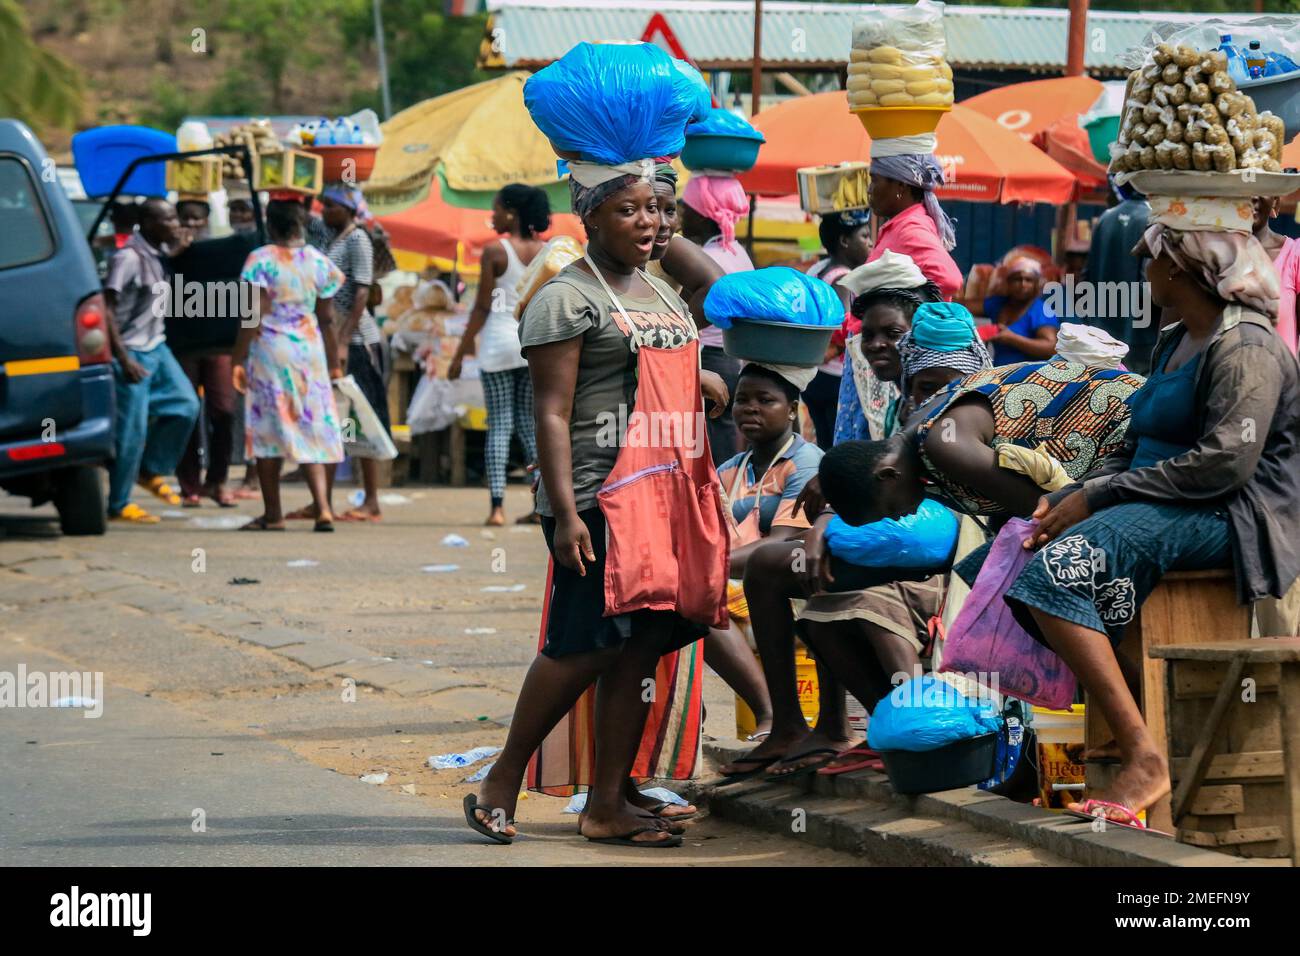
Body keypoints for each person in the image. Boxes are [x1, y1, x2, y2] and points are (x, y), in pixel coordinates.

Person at [1000, 198, 1299, 827]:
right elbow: (1134, 446)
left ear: (1186, 269)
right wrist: (1076, 491)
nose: (1141, 265)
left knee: (1057, 573)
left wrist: (1102, 496)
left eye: (1153, 254)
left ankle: (1144, 753)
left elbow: (1224, 464)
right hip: (1162, 499)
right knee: (1004, 557)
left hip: (1229, 514)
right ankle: (1141, 707)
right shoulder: (1172, 340)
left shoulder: (1247, 346)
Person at [466, 159, 729, 849]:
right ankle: (501, 777)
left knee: (640, 648)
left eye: (660, 210)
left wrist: (699, 379)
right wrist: (564, 512)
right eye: (631, 210)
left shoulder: (659, 290)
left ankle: (608, 801)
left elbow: (711, 295)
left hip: (667, 491)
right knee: (580, 646)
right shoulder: (567, 297)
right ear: (590, 217)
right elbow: (550, 412)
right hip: (599, 494)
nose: (651, 222)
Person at [717, 265, 947, 780]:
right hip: (884, 537)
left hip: (929, 551)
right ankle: (799, 724)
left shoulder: (932, 394)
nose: (878, 345)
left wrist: (825, 521)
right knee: (780, 569)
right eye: (868, 335)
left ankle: (848, 726)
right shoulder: (874, 397)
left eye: (894, 334)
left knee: (792, 568)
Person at [231, 198, 345, 532]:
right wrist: (335, 361)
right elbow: (327, 318)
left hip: (270, 352)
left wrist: (237, 358)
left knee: (269, 430)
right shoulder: (318, 262)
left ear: (270, 224)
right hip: (310, 354)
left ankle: (273, 515)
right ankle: (323, 509)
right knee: (310, 426)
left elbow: (251, 316)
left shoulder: (260, 260)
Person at [448, 184, 548, 525]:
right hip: (532, 344)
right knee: (529, 424)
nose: (492, 217)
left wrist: (459, 354)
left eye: (496, 210)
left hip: (497, 344)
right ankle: (540, 503)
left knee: (500, 425)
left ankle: (497, 508)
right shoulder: (548, 251)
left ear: (512, 213)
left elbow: (480, 308)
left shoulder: (495, 252)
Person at [101, 199, 201, 523]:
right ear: (147, 223)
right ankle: (118, 503)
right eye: (169, 219)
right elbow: (108, 310)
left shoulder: (156, 255)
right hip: (131, 351)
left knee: (186, 405)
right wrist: (122, 358)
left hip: (157, 347)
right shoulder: (127, 258)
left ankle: (150, 469)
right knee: (131, 431)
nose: (176, 225)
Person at [304, 183, 385, 522]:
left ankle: (371, 500)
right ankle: (323, 499)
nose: (325, 211)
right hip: (332, 338)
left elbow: (362, 293)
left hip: (355, 341)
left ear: (349, 210)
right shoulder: (330, 238)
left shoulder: (357, 239)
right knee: (336, 421)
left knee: (361, 418)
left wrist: (341, 340)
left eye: (332, 206)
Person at [678, 173, 753, 464]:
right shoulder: (737, 252)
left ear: (702, 214)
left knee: (711, 445)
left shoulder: (704, 257)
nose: (682, 215)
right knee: (724, 435)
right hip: (733, 359)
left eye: (685, 208)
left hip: (709, 360)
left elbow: (689, 312)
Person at [805, 209, 873, 450]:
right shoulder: (844, 279)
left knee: (824, 442)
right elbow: (845, 330)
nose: (871, 243)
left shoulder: (818, 269)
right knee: (838, 446)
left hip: (814, 377)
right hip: (833, 377)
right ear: (845, 241)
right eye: (865, 236)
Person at [866, 150, 963, 299]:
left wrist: (897, 307)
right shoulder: (901, 225)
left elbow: (950, 280)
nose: (869, 189)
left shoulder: (910, 228)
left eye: (874, 180)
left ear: (900, 185)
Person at [1085, 179, 1154, 373]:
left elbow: (1086, 277)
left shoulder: (1105, 218)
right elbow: (1148, 288)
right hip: (1140, 339)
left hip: (1102, 335)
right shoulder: (1152, 219)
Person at [974, 256, 1060, 365]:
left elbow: (1051, 348)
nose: (1023, 284)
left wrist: (1012, 339)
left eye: (1028, 280)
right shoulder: (998, 303)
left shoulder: (1040, 310)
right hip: (1000, 375)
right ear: (1008, 282)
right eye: (1017, 279)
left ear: (1036, 285)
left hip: (1028, 377)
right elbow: (963, 305)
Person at [1253, 195, 1299, 356]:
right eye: (1243, 189)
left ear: (1275, 202)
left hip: (1280, 378)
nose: (1252, 196)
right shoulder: (1211, 256)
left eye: (1261, 189)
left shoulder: (1294, 255)